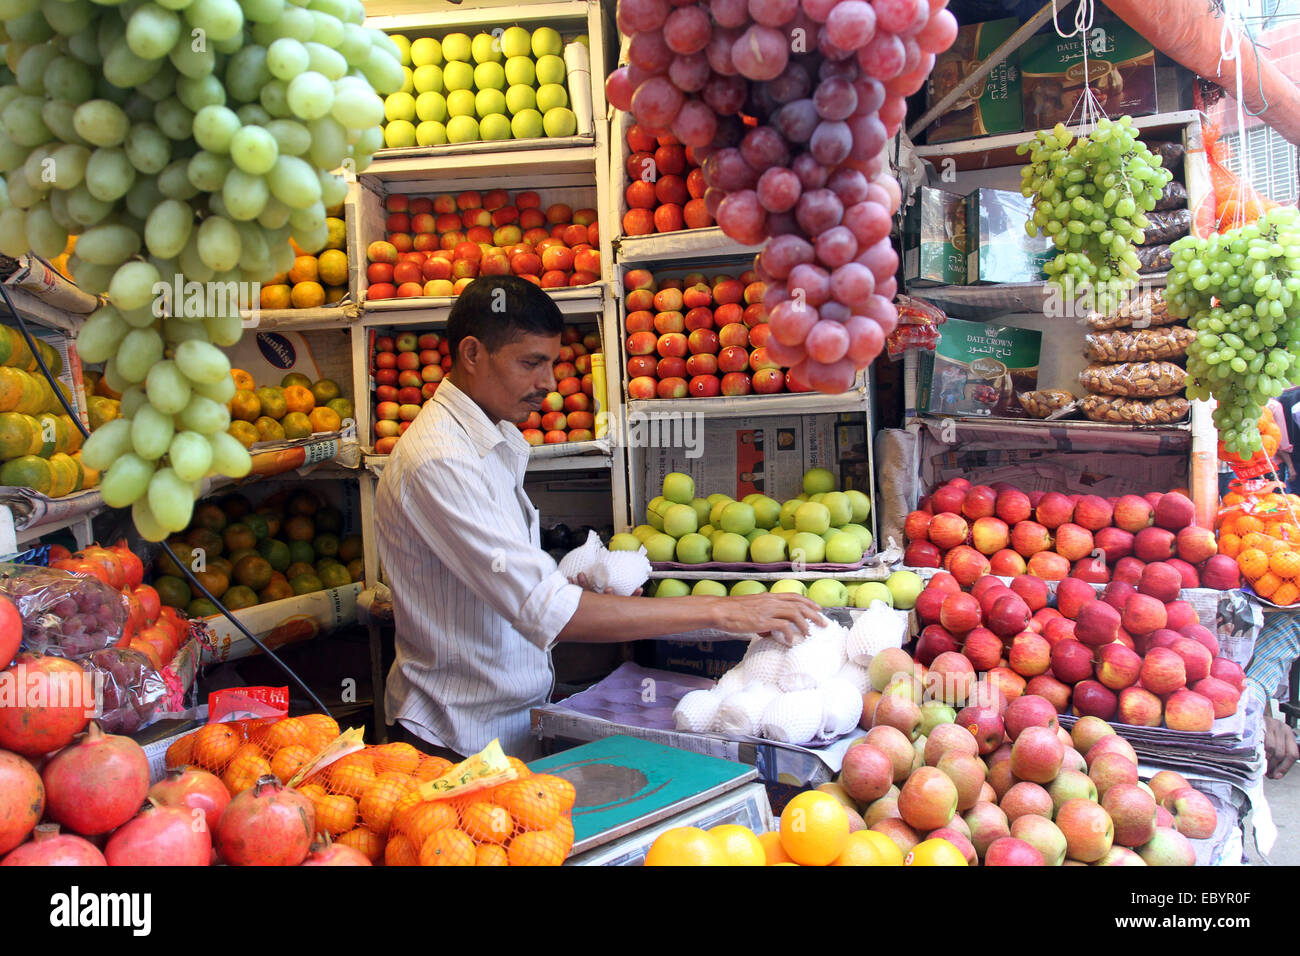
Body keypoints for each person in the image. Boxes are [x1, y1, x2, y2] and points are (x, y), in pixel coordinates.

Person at [374, 276, 825, 761]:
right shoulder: (442, 460)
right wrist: (725, 611)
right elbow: (545, 611)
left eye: (551, 363)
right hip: (454, 737)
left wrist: (586, 593)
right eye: (531, 363)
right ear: (471, 354)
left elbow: (507, 589)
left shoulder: (492, 439)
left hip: (504, 724)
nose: (547, 383)